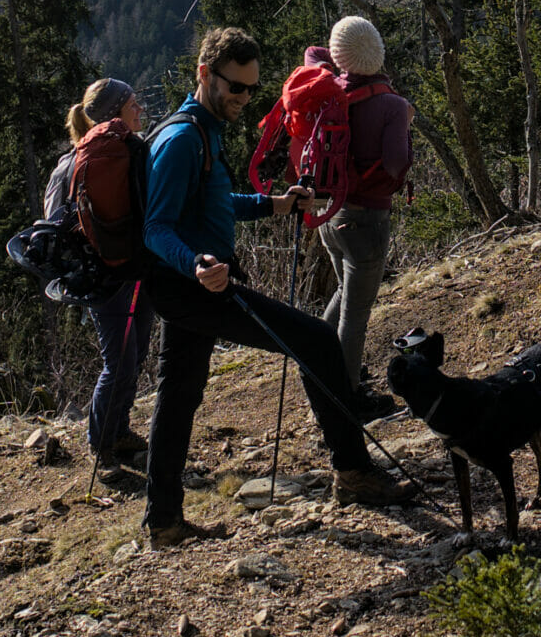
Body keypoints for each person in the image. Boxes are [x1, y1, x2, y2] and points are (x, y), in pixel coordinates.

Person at [135, 27, 409, 546]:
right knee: (316, 340)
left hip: (191, 282)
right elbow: (156, 227)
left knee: (179, 393)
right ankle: (353, 472)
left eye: (250, 90)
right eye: (234, 87)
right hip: (196, 284)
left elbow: (213, 203)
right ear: (204, 74)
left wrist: (272, 204)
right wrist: (196, 263)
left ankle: (164, 521)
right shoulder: (180, 140)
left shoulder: (203, 129)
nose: (242, 99)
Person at [43, 77, 152, 478]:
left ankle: (117, 432)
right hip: (126, 270)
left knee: (132, 354)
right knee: (121, 359)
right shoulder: (103, 157)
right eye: (133, 104)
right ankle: (102, 445)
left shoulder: (74, 163)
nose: (139, 110)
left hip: (102, 273)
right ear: (114, 113)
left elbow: (54, 223)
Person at [307, 15, 411, 382]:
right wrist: (405, 125)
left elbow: (313, 51)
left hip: (330, 215)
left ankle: (317, 355)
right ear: (379, 52)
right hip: (367, 221)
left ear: (340, 58)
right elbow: (397, 166)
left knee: (345, 294)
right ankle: (347, 395)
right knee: (355, 317)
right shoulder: (393, 106)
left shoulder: (330, 90)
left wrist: (333, 63)